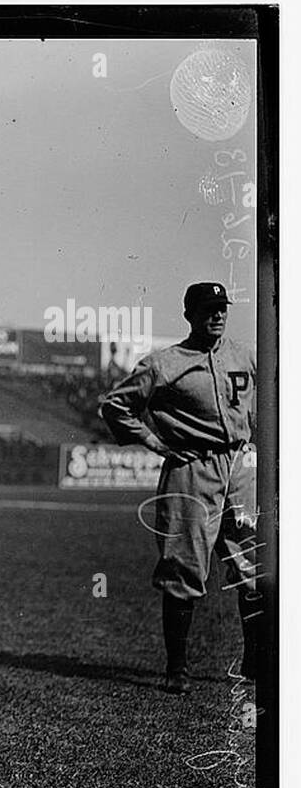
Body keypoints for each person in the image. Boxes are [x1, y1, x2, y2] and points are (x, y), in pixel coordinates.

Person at [98, 282, 260, 693]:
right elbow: (115, 405)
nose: (218, 315)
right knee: (183, 568)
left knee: (254, 566)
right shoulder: (164, 363)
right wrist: (153, 441)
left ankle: (257, 662)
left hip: (241, 466)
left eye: (222, 308)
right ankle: (178, 668)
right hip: (192, 467)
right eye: (208, 309)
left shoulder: (244, 355)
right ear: (189, 314)